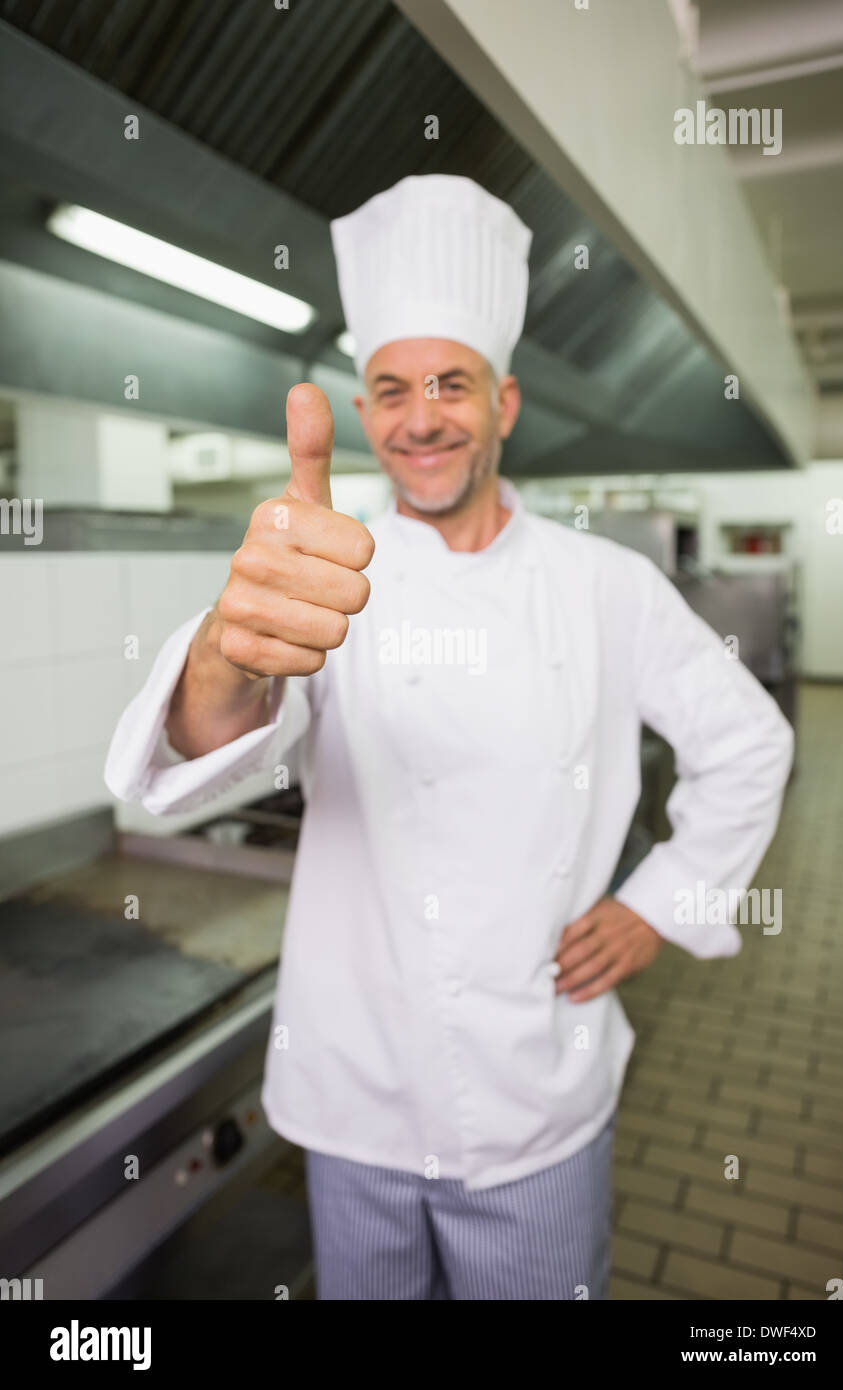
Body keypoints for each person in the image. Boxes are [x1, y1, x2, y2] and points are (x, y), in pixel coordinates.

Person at [105, 174, 795, 1300]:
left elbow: (747, 745)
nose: (418, 417)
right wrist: (226, 652)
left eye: (448, 384)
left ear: (504, 401)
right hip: (356, 1097)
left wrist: (660, 902)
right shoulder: (328, 574)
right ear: (363, 410)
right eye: (388, 388)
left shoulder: (604, 587)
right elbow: (196, 755)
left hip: (537, 1103)